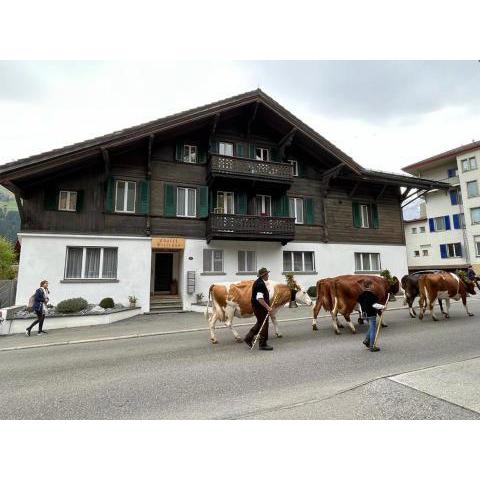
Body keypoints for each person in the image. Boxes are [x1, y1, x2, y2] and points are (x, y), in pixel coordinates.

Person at [244, 267, 274, 351]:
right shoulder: (260, 284)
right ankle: (262, 344)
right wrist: (268, 307)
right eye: (267, 274)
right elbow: (260, 299)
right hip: (259, 307)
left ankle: (248, 338)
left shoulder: (259, 282)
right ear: (263, 275)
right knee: (264, 325)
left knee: (260, 323)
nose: (268, 275)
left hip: (258, 307)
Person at [357, 281, 385, 352]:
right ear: (370, 286)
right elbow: (374, 305)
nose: (373, 286)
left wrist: (362, 311)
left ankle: (367, 340)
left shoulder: (361, 295)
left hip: (364, 315)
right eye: (372, 285)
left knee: (371, 327)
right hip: (371, 314)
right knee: (373, 329)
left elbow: (360, 304)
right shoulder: (372, 295)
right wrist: (383, 307)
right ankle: (372, 346)